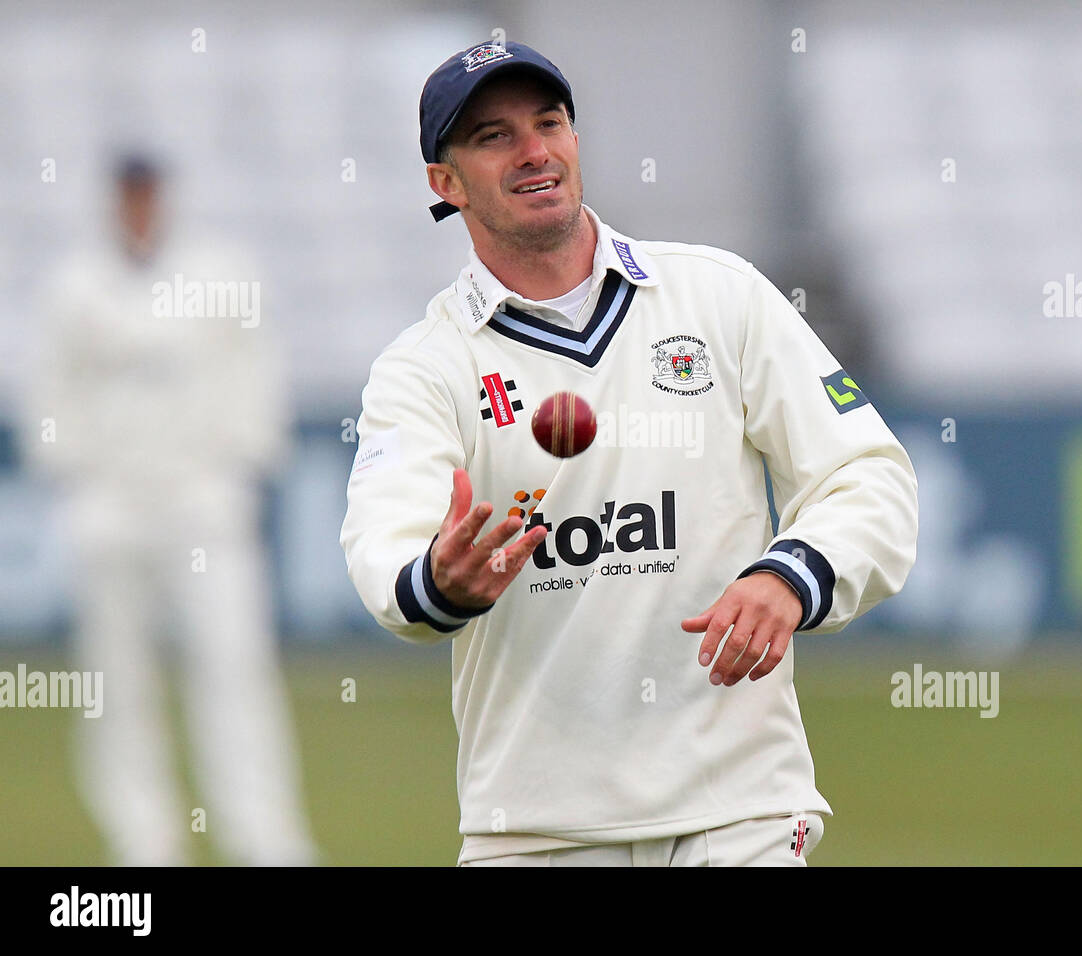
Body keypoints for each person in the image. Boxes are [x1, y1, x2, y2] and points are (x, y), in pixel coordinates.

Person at [339, 41, 919, 866]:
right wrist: (436, 580)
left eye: (549, 123)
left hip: (740, 808)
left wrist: (789, 574)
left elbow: (868, 475)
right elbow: (384, 551)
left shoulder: (718, 295)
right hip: (537, 828)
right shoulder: (425, 366)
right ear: (446, 181)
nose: (535, 150)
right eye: (494, 136)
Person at [25, 154, 317, 866]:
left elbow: (260, 367)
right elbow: (48, 392)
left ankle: (263, 837)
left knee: (234, 670)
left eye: (148, 194)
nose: (139, 206)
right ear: (113, 200)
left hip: (202, 501)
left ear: (165, 197)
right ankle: (144, 841)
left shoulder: (220, 271)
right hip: (112, 507)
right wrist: (76, 479)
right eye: (128, 195)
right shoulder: (74, 285)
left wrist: (240, 464)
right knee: (117, 684)